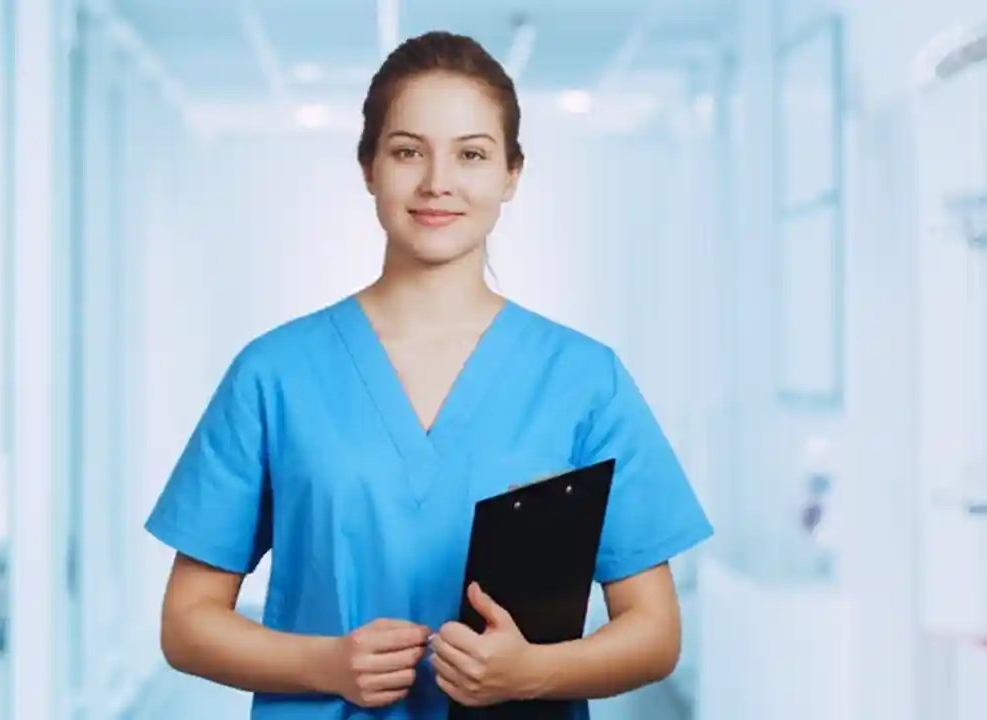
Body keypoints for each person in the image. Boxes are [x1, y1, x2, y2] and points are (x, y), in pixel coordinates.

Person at [144, 29, 714, 720]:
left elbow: (654, 633)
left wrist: (532, 672)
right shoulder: (274, 374)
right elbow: (187, 620)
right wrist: (322, 662)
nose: (437, 181)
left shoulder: (583, 380)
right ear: (368, 168)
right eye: (408, 151)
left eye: (471, 154)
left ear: (511, 174)